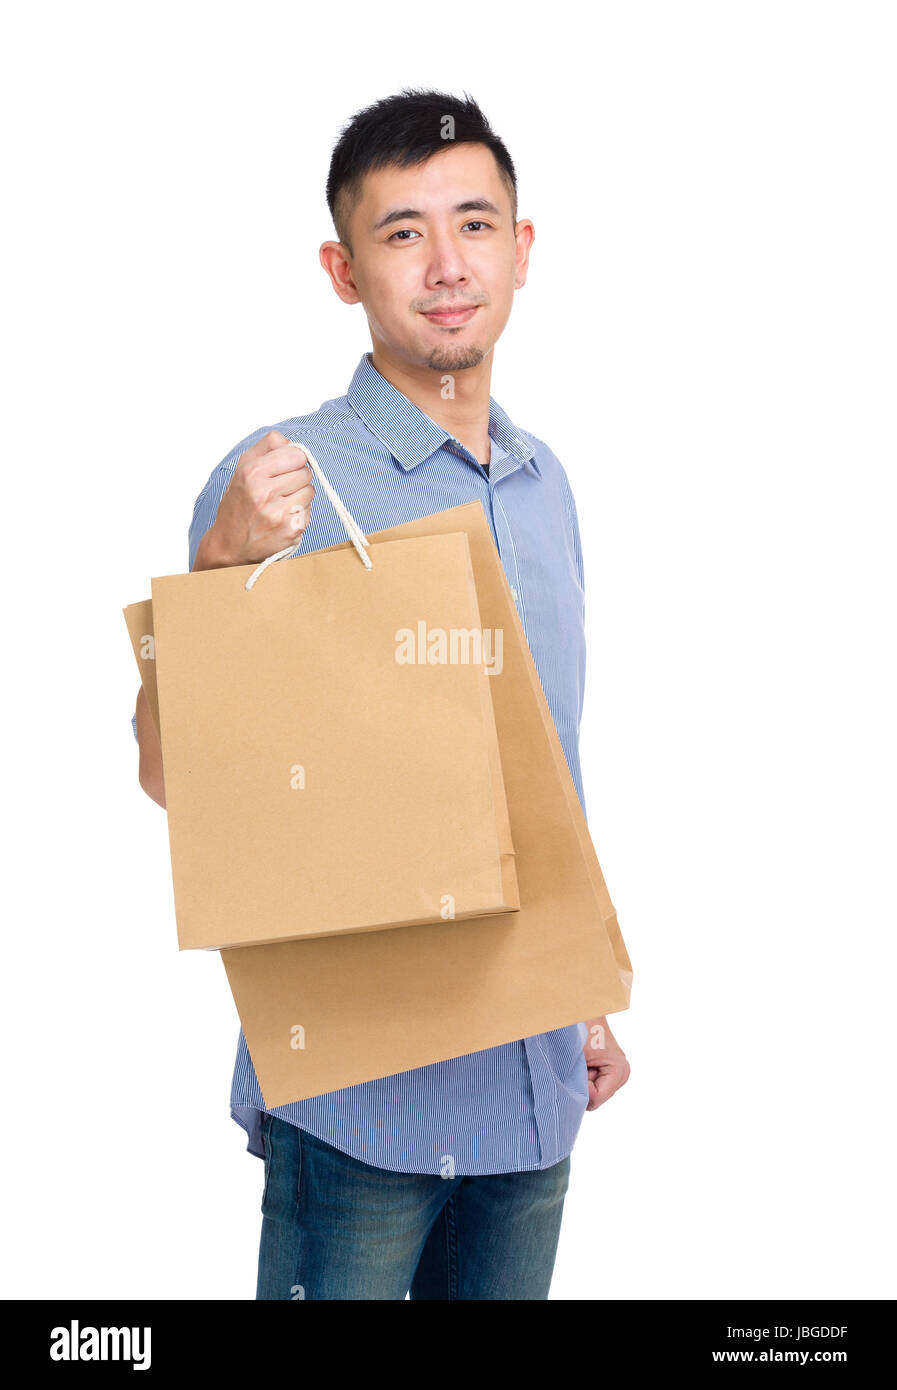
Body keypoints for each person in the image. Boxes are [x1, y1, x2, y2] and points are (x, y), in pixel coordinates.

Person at [134, 87, 630, 1301]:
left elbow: (544, 764)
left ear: (523, 249)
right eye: (402, 232)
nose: (446, 263)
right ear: (343, 269)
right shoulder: (281, 479)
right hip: (362, 1098)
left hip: (530, 1090)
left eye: (474, 222)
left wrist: (576, 999)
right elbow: (172, 776)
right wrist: (221, 572)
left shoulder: (542, 483)